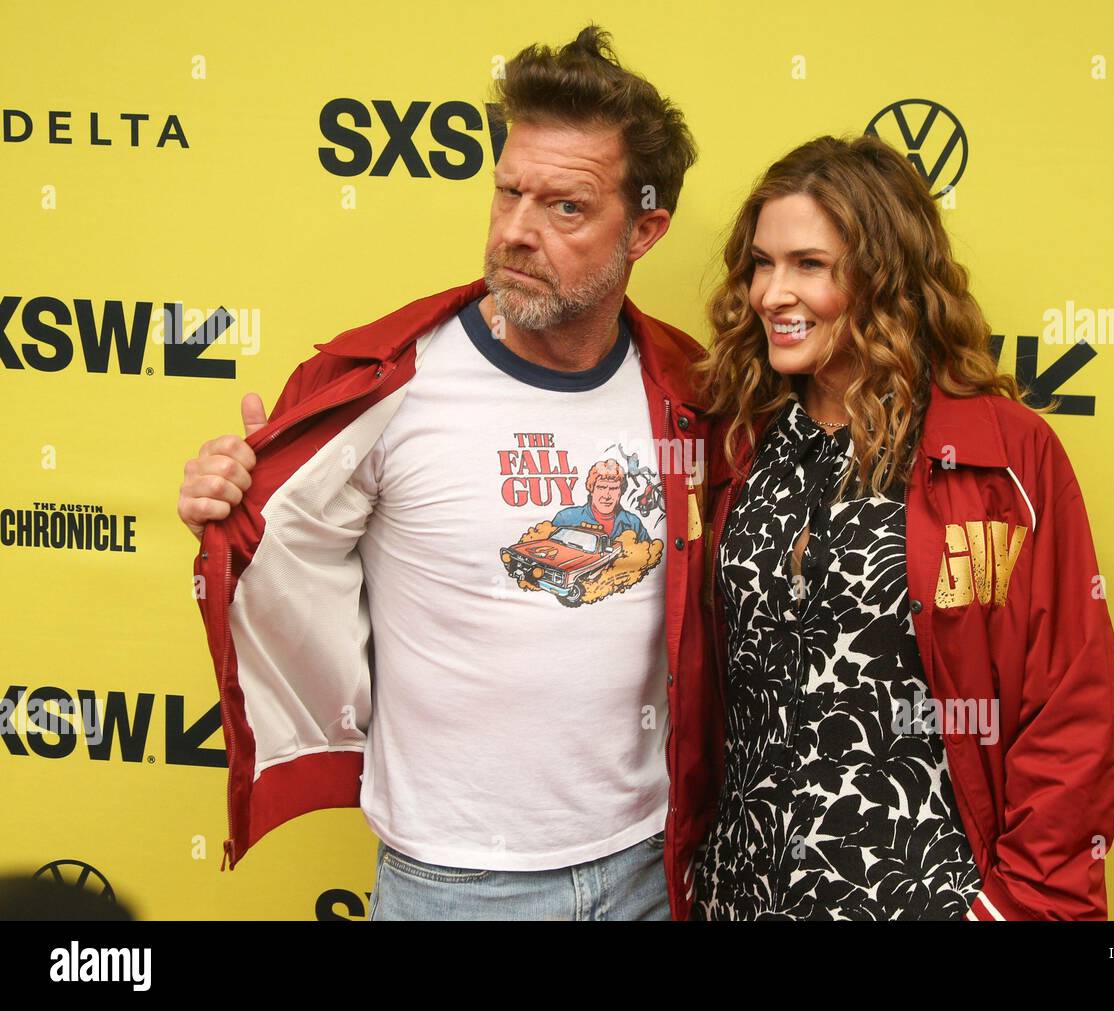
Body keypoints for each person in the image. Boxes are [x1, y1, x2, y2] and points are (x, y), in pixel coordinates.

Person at [176, 25, 722, 921]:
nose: (515, 231)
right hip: (453, 884)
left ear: (647, 228)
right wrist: (229, 499)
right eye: (509, 191)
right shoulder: (397, 384)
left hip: (649, 868)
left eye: (566, 209)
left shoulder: (685, 390)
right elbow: (279, 544)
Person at [690, 134, 1114, 920]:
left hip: (923, 899)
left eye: (810, 264)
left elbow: (1078, 715)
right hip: (740, 897)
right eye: (762, 263)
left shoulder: (1002, 458)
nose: (770, 293)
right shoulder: (737, 443)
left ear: (885, 277)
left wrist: (1006, 911)